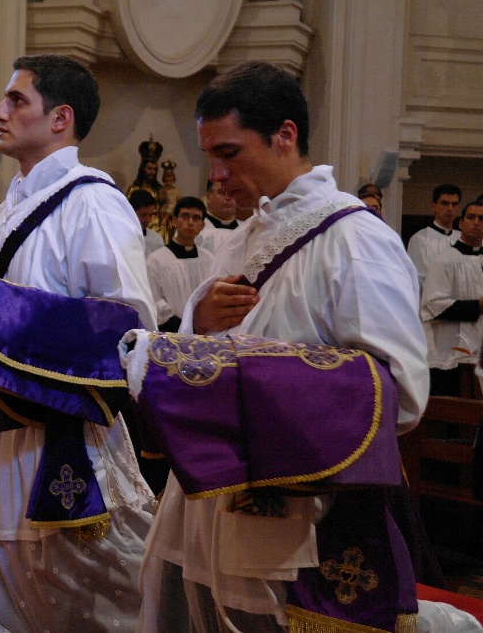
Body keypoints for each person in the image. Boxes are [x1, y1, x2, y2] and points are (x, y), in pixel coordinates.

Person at [138, 61, 428, 632]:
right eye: (209, 158)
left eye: (229, 153)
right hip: (212, 494)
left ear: (285, 136)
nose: (215, 175)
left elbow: (400, 392)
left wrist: (257, 380)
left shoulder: (355, 237)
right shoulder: (238, 241)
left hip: (304, 508)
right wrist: (196, 321)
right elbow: (213, 356)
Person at [0, 53, 157, 632]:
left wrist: (18, 330)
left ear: (60, 118)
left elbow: (130, 326)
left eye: (17, 101)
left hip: (63, 427)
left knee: (90, 584)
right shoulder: (8, 206)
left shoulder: (92, 200)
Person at [421, 200, 483, 397]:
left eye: (482, 219)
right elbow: (433, 305)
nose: (476, 222)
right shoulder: (444, 261)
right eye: (471, 217)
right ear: (460, 223)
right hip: (452, 352)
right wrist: (477, 305)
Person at [146, 196, 214, 332]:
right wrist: (185, 328)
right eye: (185, 216)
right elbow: (154, 300)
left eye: (196, 218)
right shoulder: (156, 260)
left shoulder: (209, 259)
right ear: (174, 221)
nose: (190, 222)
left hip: (204, 332)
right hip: (171, 333)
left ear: (202, 226)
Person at [408, 184, 462, 291]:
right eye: (445, 203)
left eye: (454, 204)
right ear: (434, 207)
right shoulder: (419, 239)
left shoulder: (462, 238)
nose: (450, 208)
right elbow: (416, 278)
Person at [196, 180, 239, 255]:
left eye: (232, 193)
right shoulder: (194, 228)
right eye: (222, 192)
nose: (228, 198)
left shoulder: (246, 229)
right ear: (208, 197)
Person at [129, 189, 165, 257]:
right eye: (143, 215)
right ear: (131, 212)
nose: (148, 220)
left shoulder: (156, 240)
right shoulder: (120, 238)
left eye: (151, 215)